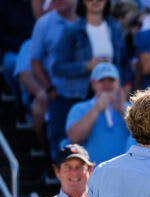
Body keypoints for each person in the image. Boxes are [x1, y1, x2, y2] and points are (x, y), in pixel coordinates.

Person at [51, 0, 128, 161]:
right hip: (78, 95)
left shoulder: (114, 27)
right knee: (73, 146)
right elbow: (58, 67)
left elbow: (122, 62)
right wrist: (86, 66)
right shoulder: (71, 30)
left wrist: (123, 87)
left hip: (111, 92)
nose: (95, 1)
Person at [28, 0, 80, 160]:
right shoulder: (43, 24)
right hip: (59, 94)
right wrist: (49, 88)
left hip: (87, 93)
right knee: (59, 142)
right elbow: (35, 61)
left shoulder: (89, 20)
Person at [65, 62, 130, 165]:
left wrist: (123, 111)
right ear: (93, 84)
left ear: (118, 82)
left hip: (125, 171)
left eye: (111, 80)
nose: (107, 85)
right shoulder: (79, 108)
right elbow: (74, 138)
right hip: (94, 171)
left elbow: (146, 137)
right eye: (102, 81)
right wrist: (96, 109)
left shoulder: (132, 108)